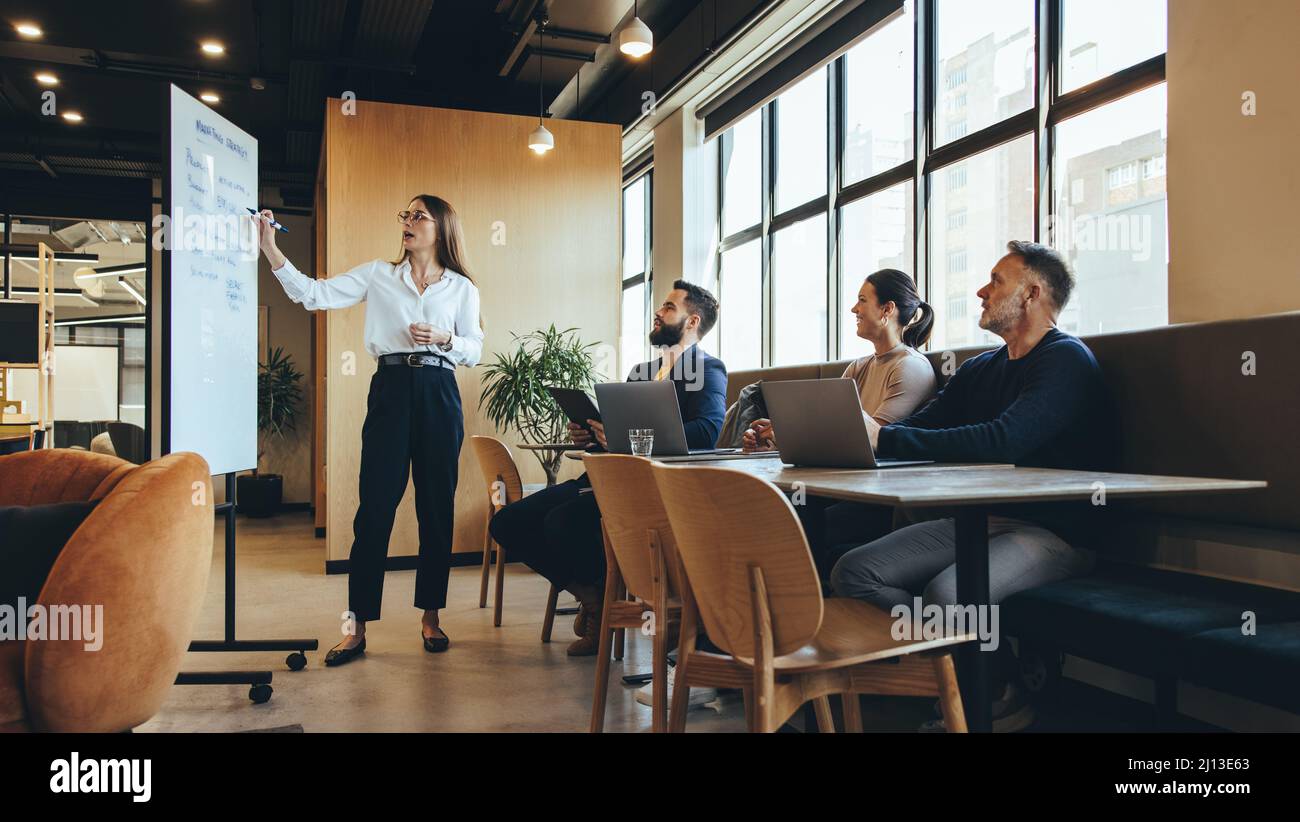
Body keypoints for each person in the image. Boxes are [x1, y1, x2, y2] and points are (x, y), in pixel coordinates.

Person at [830, 241, 1111, 731]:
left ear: (1031, 294)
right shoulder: (984, 367)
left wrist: (886, 437)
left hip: (1053, 531)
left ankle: (992, 698)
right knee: (854, 572)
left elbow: (1005, 440)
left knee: (947, 595)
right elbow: (923, 429)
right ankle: (962, 672)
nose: (981, 291)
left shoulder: (1066, 360)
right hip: (977, 520)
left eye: (996, 281)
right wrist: (866, 436)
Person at [254, 195, 484, 666]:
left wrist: (446, 339)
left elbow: (475, 349)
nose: (408, 222)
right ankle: (356, 628)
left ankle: (431, 617)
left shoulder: (461, 287)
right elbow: (314, 294)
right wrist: (270, 249)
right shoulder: (380, 274)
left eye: (419, 215)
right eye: (405, 214)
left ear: (440, 228)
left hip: (440, 391)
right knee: (374, 509)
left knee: (436, 508)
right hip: (392, 389)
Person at [487, 280, 725, 657]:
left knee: (561, 522)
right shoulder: (641, 372)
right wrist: (592, 435)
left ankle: (601, 600)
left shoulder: (708, 370)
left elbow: (707, 433)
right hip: (604, 479)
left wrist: (625, 436)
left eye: (668, 307)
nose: (658, 312)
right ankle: (594, 598)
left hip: (651, 490)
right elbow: (618, 438)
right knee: (506, 523)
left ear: (692, 321)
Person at [742, 269, 937, 577]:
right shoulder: (858, 367)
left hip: (876, 499)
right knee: (760, 508)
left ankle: (800, 613)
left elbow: (869, 441)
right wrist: (776, 436)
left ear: (888, 310)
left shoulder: (911, 368)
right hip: (840, 489)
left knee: (782, 517)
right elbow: (832, 433)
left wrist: (792, 434)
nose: (854, 309)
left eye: (862, 300)